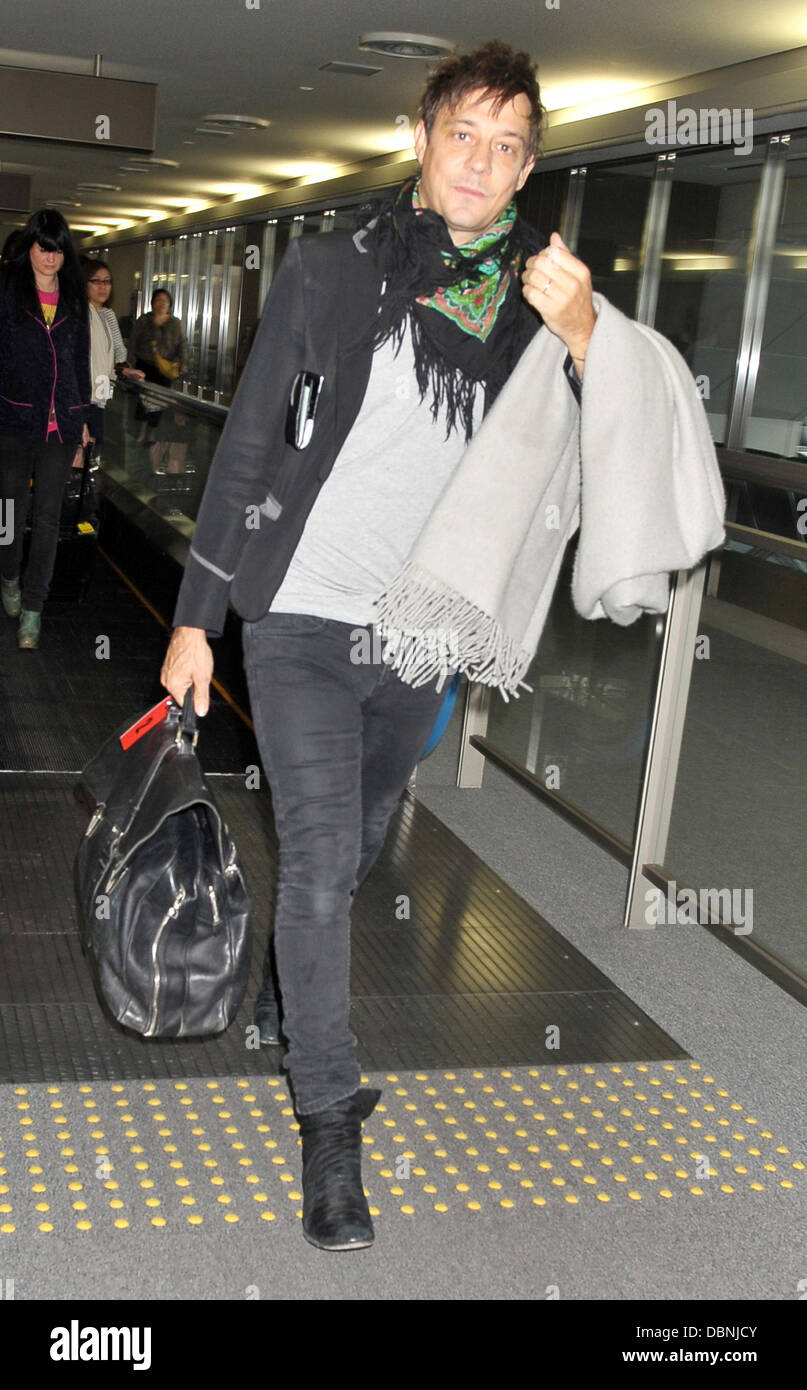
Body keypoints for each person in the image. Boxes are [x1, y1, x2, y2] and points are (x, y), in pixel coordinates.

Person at [160, 40, 595, 1251]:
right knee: (314, 859)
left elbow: (595, 451)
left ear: (528, 169)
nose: (484, 162)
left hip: (418, 633)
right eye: (466, 134)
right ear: (422, 139)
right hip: (297, 612)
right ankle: (330, 1131)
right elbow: (250, 443)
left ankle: (280, 996)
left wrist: (588, 339)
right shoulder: (332, 272)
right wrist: (197, 614)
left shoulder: (534, 303)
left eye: (511, 147)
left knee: (348, 851)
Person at [0, 209, 91, 649]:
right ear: (30, 247)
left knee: (49, 517)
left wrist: (83, 417)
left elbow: (80, 361)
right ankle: (8, 573)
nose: (49, 258)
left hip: (63, 424)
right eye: (42, 248)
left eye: (56, 249)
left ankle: (34, 609)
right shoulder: (9, 291)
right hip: (14, 419)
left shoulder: (74, 296)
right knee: (8, 511)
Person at [81, 257, 144, 456]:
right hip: (82, 396)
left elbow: (118, 351)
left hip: (100, 395)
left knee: (91, 451)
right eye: (96, 281)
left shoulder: (107, 315)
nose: (103, 286)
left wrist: (123, 369)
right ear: (84, 283)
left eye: (107, 281)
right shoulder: (80, 313)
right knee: (79, 452)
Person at [126, 288, 188, 473]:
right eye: (158, 300)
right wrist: (128, 364)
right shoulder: (144, 321)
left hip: (165, 370)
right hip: (144, 367)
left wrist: (182, 364)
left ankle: (152, 432)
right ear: (153, 302)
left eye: (165, 300)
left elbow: (182, 345)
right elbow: (133, 343)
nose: (162, 303)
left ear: (170, 304)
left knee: (159, 402)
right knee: (143, 401)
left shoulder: (175, 324)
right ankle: (141, 431)